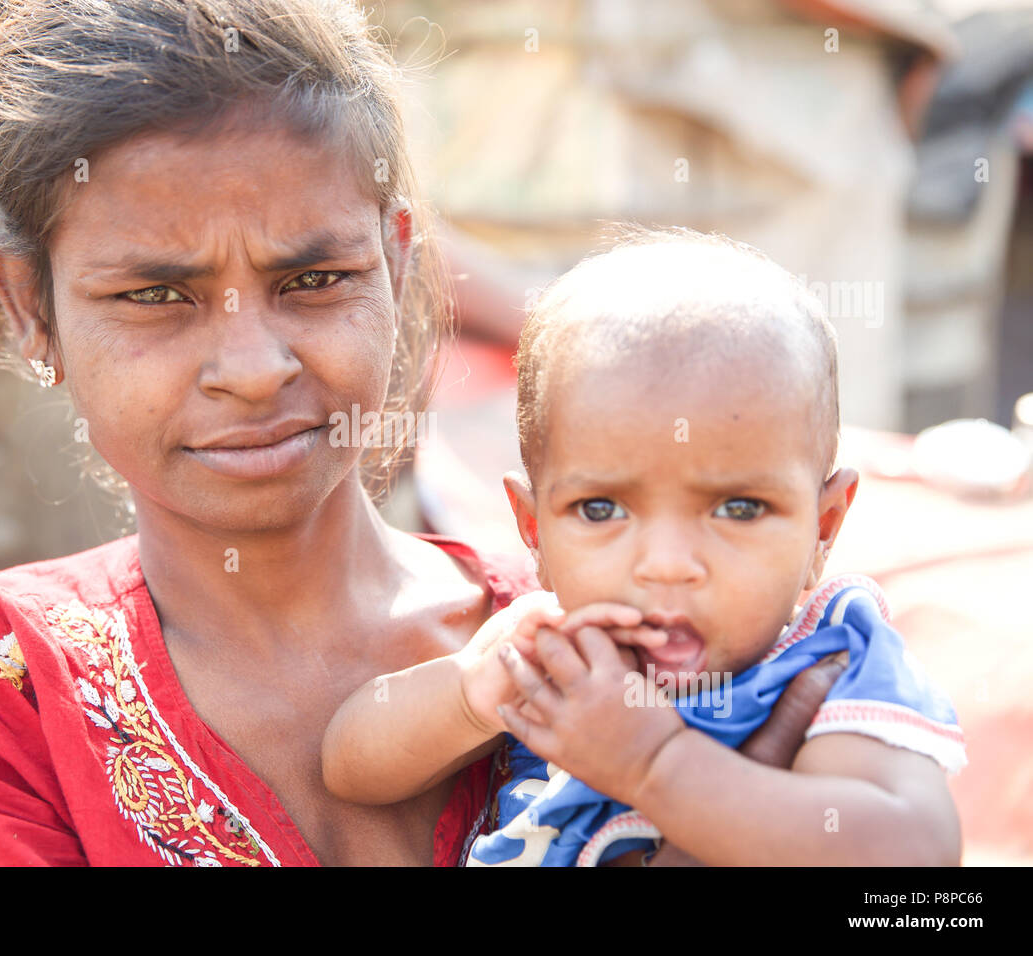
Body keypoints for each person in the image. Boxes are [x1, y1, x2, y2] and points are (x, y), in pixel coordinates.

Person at [0, 1, 848, 867]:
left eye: (314, 280)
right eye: (156, 294)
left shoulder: (616, 642)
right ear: (31, 309)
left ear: (398, 263)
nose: (253, 365)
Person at [322, 227, 966, 866]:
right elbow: (349, 769)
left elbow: (914, 852)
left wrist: (655, 765)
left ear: (822, 526)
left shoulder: (827, 660)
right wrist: (465, 697)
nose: (665, 565)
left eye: (739, 509)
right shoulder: (549, 652)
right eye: (600, 510)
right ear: (533, 528)